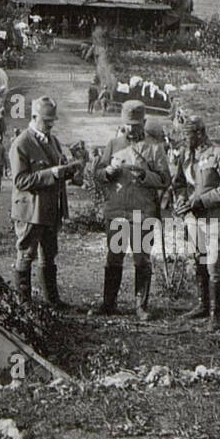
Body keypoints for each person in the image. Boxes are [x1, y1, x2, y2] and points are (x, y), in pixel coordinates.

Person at [90, 102, 169, 320]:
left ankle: (140, 306)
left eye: (136, 125)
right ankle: (109, 303)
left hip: (142, 214)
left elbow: (165, 179)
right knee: (114, 258)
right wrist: (108, 171)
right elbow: (97, 174)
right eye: (127, 125)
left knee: (142, 260)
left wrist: (145, 176)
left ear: (143, 122)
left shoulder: (155, 147)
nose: (132, 129)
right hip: (117, 213)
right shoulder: (114, 144)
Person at [10, 96, 81, 306]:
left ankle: (52, 300)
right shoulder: (21, 143)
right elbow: (20, 181)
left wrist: (70, 171)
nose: (50, 124)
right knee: (26, 255)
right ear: (33, 117)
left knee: (49, 255)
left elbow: (59, 168)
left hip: (50, 210)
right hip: (30, 213)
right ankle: (23, 304)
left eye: (52, 121)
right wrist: (51, 174)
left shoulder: (53, 140)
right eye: (46, 121)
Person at [169, 116, 220, 330]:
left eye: (187, 135)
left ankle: (217, 315)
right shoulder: (186, 156)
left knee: (213, 265)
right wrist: (181, 199)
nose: (183, 139)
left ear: (199, 133)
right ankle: (203, 305)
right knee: (198, 260)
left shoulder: (219, 155)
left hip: (214, 218)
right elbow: (179, 183)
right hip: (193, 219)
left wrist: (200, 201)